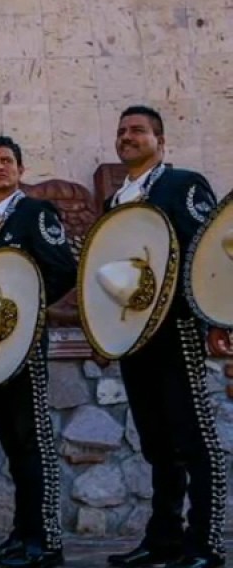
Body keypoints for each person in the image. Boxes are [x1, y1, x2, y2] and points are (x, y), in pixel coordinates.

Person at [103, 108, 226, 568]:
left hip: (176, 328)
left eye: (137, 130)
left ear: (161, 139)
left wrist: (215, 319)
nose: (127, 137)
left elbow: (206, 250)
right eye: (121, 132)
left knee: (194, 439)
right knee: (157, 443)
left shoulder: (182, 185)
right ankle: (164, 539)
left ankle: (205, 543)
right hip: (135, 337)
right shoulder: (114, 203)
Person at [0, 137, 75, 568]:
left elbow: (63, 267)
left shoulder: (34, 213)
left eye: (6, 161)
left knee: (34, 442)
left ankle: (46, 541)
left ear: (21, 169)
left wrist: (25, 310)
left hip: (24, 342)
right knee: (13, 444)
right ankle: (21, 533)